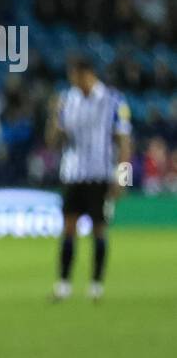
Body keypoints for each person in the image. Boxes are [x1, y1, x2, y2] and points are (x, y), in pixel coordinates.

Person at [48, 56, 132, 302]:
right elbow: (54, 142)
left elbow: (124, 141)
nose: (72, 81)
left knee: (99, 230)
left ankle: (96, 286)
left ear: (87, 74)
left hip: (100, 174)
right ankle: (64, 286)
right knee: (69, 228)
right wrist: (53, 118)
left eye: (75, 76)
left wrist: (123, 177)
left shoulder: (113, 100)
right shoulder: (67, 101)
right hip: (73, 173)